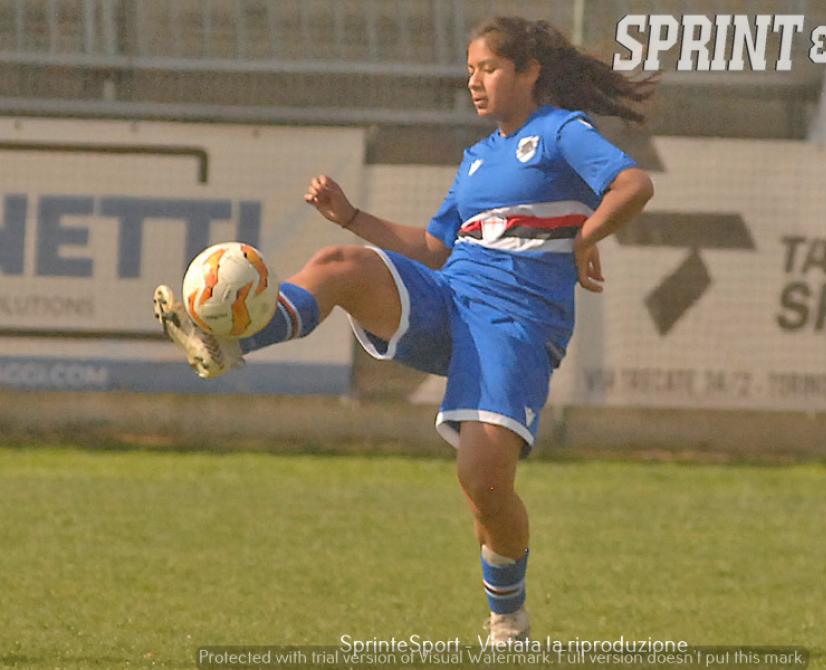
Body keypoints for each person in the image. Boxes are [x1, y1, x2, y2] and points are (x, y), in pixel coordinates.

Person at [153, 15, 654, 644]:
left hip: (516, 323)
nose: (474, 81)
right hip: (451, 298)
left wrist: (586, 236)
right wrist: (353, 217)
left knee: (484, 481)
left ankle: (508, 617)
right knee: (342, 264)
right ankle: (233, 344)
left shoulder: (560, 132)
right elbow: (435, 246)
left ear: (530, 73)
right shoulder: (477, 159)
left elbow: (633, 184)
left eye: (489, 69)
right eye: (470, 70)